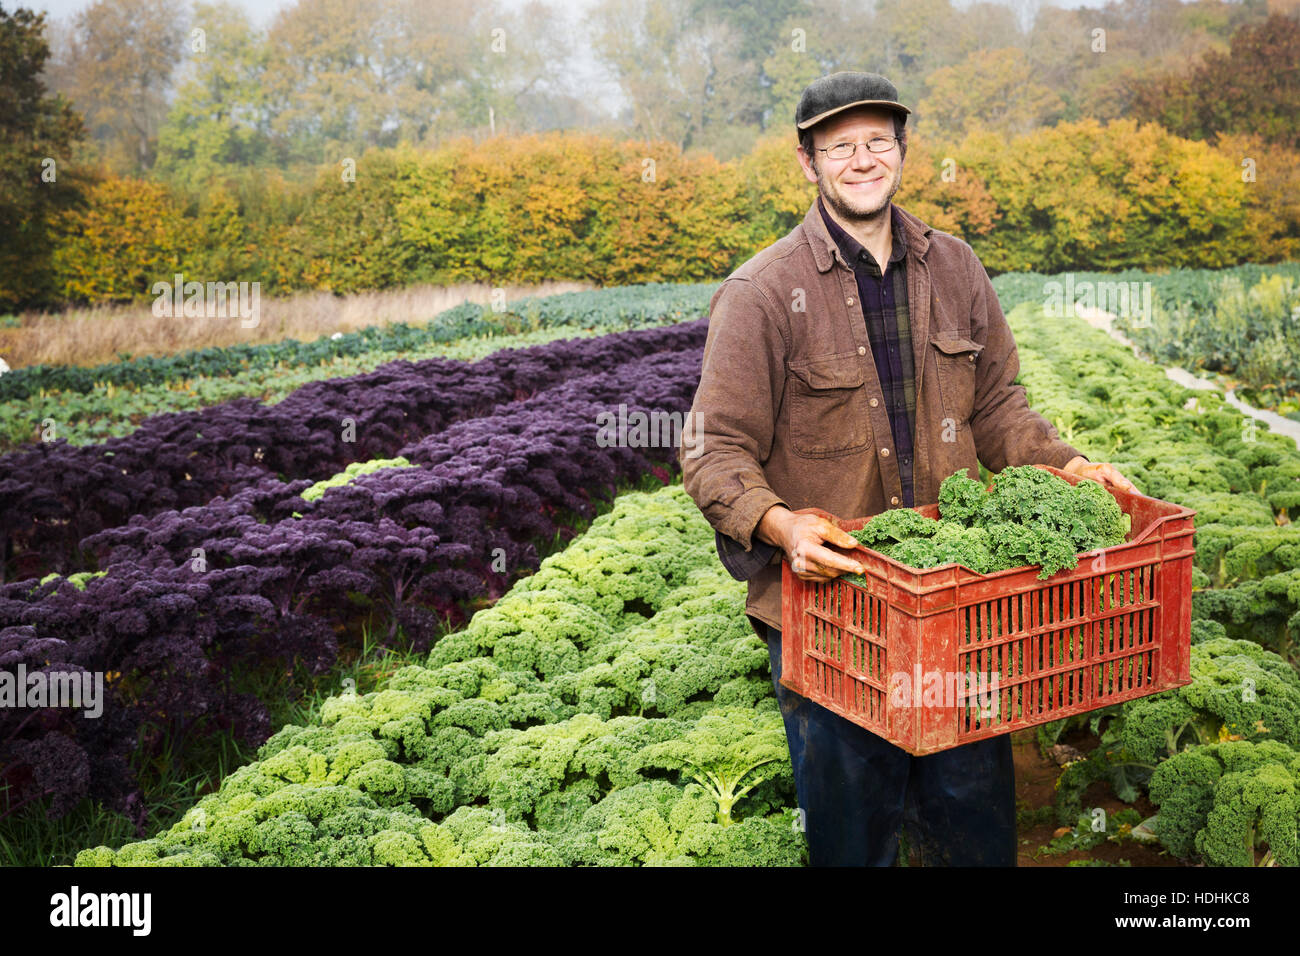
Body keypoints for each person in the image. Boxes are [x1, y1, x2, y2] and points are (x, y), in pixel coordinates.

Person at [677, 71, 1137, 866]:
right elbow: (713, 449)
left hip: (957, 603)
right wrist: (782, 525)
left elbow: (999, 408)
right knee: (854, 838)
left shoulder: (956, 268)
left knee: (972, 821)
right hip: (833, 616)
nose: (863, 160)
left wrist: (1069, 465)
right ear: (807, 161)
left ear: (901, 151)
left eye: (878, 142)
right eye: (841, 146)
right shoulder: (761, 291)